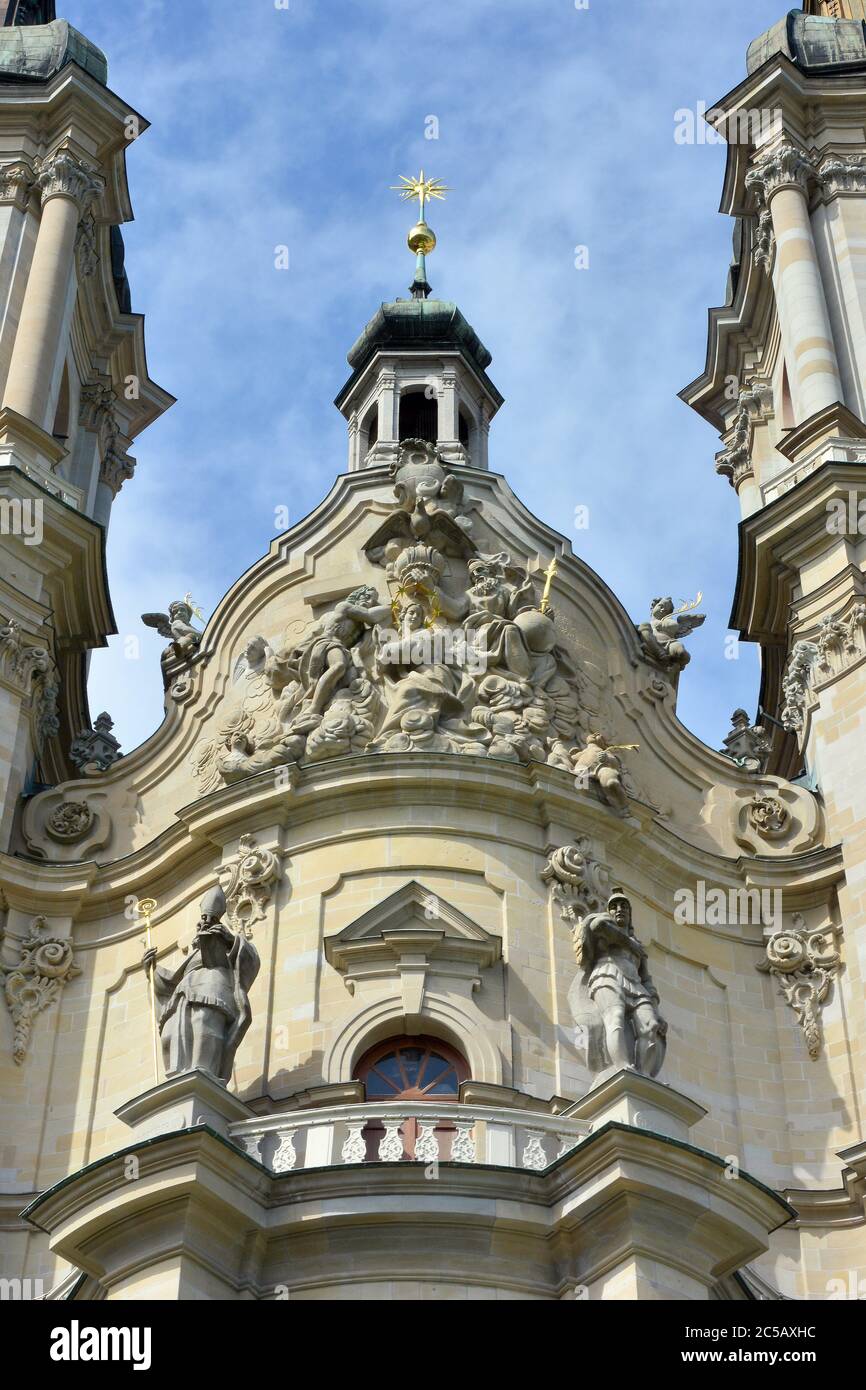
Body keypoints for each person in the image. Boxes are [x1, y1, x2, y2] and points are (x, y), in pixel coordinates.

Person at [142, 885, 259, 1083]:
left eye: (209, 919)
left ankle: (205, 1078)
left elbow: (251, 960)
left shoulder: (226, 942)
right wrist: (150, 970)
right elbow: (170, 981)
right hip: (183, 995)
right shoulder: (192, 956)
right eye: (202, 919)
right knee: (170, 1036)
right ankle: (179, 1077)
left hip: (213, 987)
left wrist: (230, 940)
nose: (204, 923)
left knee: (205, 1027)